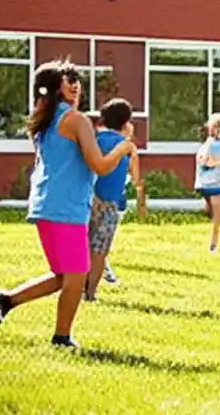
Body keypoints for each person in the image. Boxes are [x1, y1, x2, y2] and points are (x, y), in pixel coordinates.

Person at [0, 60, 135, 348]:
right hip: (66, 208)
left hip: (46, 206)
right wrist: (124, 147)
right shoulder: (76, 121)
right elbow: (101, 166)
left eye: (76, 78)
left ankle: (4, 302)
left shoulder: (45, 120)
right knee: (77, 275)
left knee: (65, 276)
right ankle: (61, 337)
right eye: (69, 79)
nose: (76, 83)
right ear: (56, 88)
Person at [84, 98, 142, 302]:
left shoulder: (94, 139)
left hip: (87, 199)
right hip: (110, 203)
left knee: (83, 246)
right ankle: (90, 293)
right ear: (126, 122)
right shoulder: (126, 146)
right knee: (99, 250)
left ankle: (77, 285)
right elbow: (134, 177)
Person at [195, 113, 220, 253]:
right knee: (218, 218)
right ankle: (213, 246)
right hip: (216, 184)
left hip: (203, 183)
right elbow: (210, 161)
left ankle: (211, 244)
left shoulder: (207, 143)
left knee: (210, 213)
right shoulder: (218, 145)